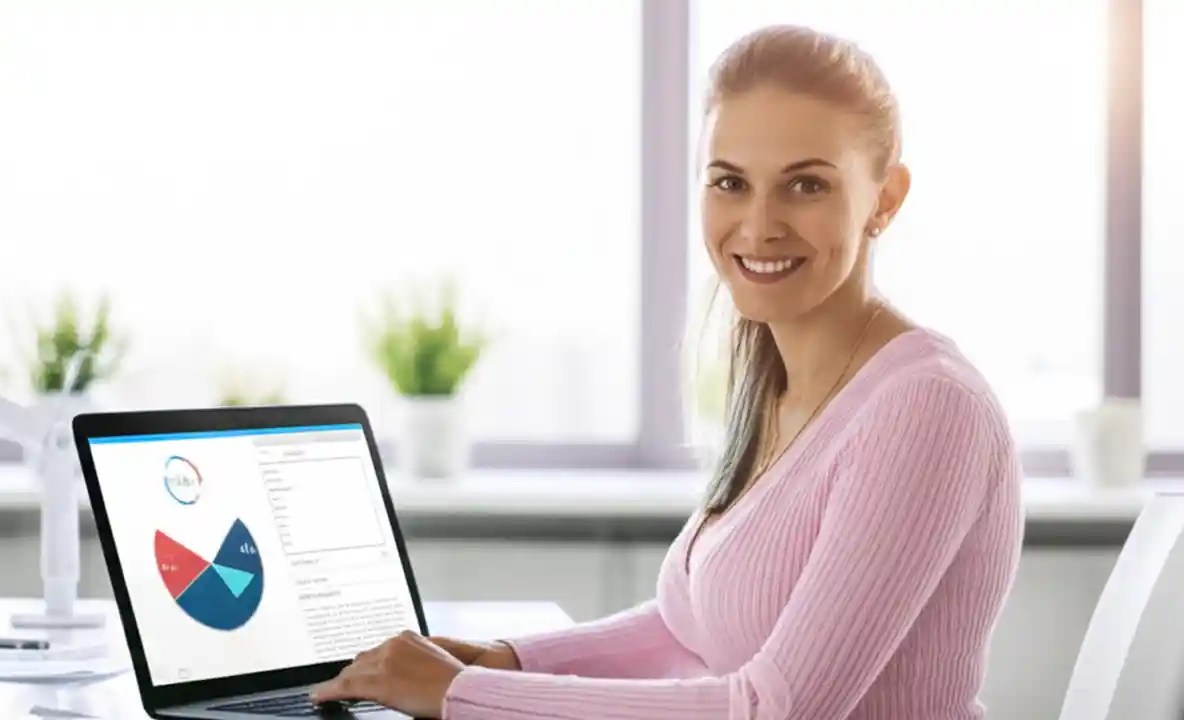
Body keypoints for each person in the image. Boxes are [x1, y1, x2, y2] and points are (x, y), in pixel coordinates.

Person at [310, 24, 1024, 720]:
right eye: (729, 182)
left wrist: (461, 697)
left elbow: (779, 709)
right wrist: (501, 661)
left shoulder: (926, 408)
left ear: (886, 199)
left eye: (805, 186)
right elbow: (689, 628)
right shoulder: (782, 388)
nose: (758, 224)